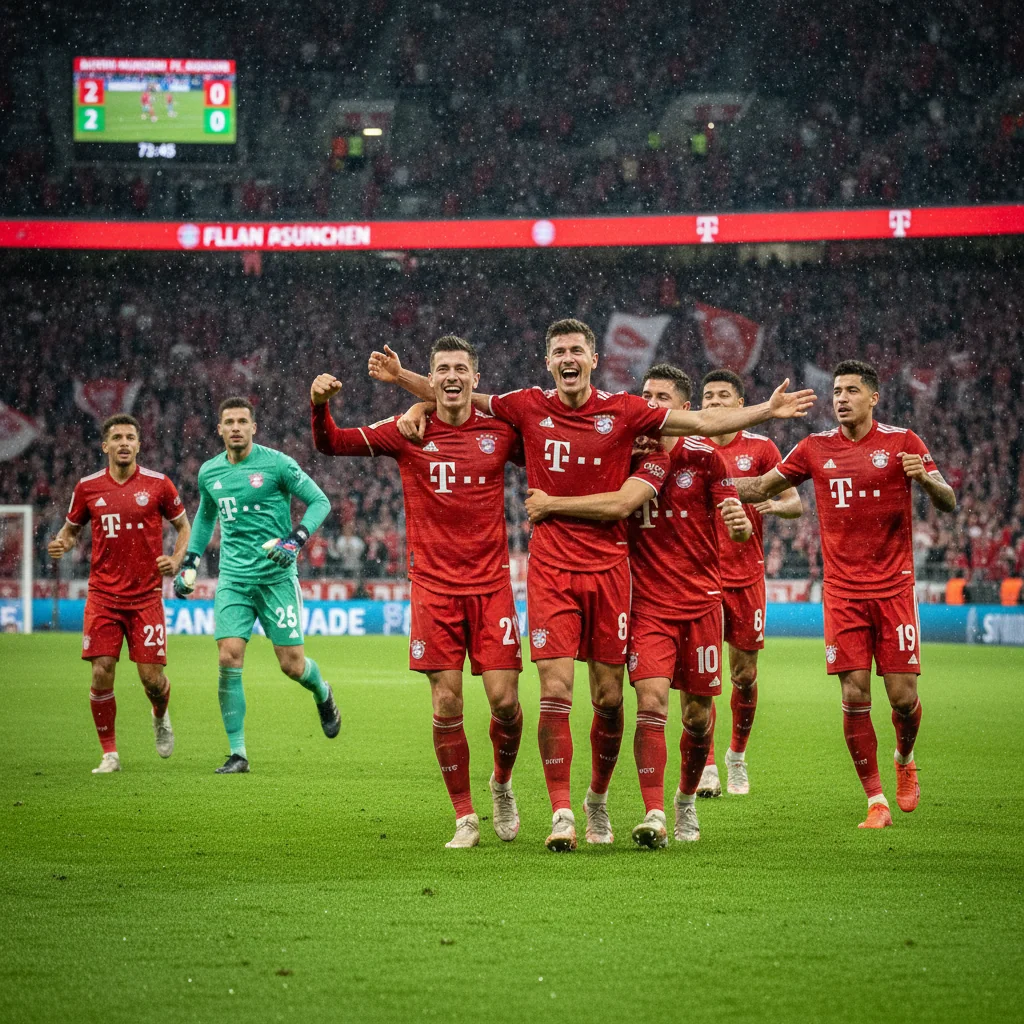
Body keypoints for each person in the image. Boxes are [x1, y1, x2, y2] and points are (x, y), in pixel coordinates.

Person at [370, 320, 815, 850]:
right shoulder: (529, 405)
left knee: (617, 700)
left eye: (577, 350)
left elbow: (695, 427)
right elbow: (460, 394)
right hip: (557, 574)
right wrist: (411, 389)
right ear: (549, 361)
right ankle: (564, 813)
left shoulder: (629, 419)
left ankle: (605, 800)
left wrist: (766, 410)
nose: (568, 358)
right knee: (561, 692)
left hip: (625, 578)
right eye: (559, 350)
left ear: (593, 359)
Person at [525, 365, 752, 846]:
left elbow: (736, 523)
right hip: (646, 605)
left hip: (701, 603)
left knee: (697, 718)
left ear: (681, 410)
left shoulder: (706, 459)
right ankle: (654, 813)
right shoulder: (622, 452)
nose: (650, 405)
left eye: (660, 398)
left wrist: (741, 526)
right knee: (649, 702)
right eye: (645, 396)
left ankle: (685, 801)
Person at [312, 337, 525, 849]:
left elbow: (556, 445)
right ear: (432, 378)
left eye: (460, 369)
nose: (452, 376)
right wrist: (319, 406)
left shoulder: (500, 431)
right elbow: (332, 443)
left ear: (475, 378)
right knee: (447, 701)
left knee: (505, 702)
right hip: (433, 588)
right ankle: (465, 816)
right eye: (442, 369)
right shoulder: (406, 431)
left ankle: (501, 784)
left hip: (492, 586)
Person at [735, 360, 956, 828]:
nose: (841, 398)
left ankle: (904, 757)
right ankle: (876, 801)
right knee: (854, 694)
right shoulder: (814, 448)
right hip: (842, 593)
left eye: (852, 390)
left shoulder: (903, 442)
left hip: (894, 590)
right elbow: (760, 487)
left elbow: (948, 500)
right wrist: (703, 484)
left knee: (902, 698)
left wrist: (925, 478)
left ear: (873, 397)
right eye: (837, 391)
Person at [172, 397, 337, 774]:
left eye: (242, 421)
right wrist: (191, 562)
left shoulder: (277, 464)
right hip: (234, 580)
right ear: (219, 429)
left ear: (253, 427)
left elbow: (319, 501)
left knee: (292, 665)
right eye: (229, 422)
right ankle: (238, 753)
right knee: (228, 656)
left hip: (276, 579)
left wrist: (294, 540)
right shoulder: (210, 472)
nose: (235, 427)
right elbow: (205, 518)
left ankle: (322, 692)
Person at [48, 414, 190, 774]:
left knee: (152, 680)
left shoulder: (159, 484)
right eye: (117, 438)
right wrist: (62, 543)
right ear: (105, 446)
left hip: (146, 598)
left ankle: (160, 713)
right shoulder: (88, 487)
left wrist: (176, 560)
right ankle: (109, 753)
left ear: (139, 444)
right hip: (103, 597)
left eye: (130, 437)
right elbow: (70, 530)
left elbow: (183, 525)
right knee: (101, 671)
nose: (124, 443)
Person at [696, 369, 803, 798]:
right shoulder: (691, 447)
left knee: (743, 674)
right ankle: (705, 766)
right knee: (702, 677)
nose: (714, 402)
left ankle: (736, 757)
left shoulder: (760, 448)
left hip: (745, 577)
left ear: (740, 404)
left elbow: (794, 502)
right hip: (699, 578)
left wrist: (772, 507)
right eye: (708, 396)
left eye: (723, 395)